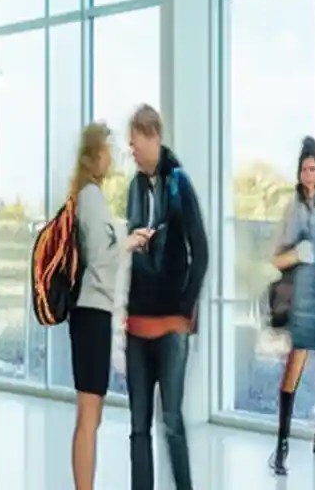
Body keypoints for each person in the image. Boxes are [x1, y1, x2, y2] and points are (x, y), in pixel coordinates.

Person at [123, 105, 209, 490]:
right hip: (136, 326)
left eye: (135, 141)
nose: (131, 149)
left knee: (171, 422)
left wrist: (185, 308)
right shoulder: (134, 188)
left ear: (152, 135)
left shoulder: (180, 184)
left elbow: (201, 250)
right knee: (138, 427)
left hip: (172, 326)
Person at [67, 123, 142, 490]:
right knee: (89, 414)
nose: (112, 157)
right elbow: (100, 257)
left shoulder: (87, 195)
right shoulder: (91, 197)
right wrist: (128, 243)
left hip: (92, 313)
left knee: (90, 415)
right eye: (109, 150)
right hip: (91, 313)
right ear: (95, 155)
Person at [269, 137, 315, 475]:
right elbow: (276, 257)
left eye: (313, 168)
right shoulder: (294, 210)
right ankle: (280, 446)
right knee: (294, 368)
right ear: (299, 172)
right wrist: (299, 253)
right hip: (302, 301)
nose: (309, 174)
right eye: (304, 168)